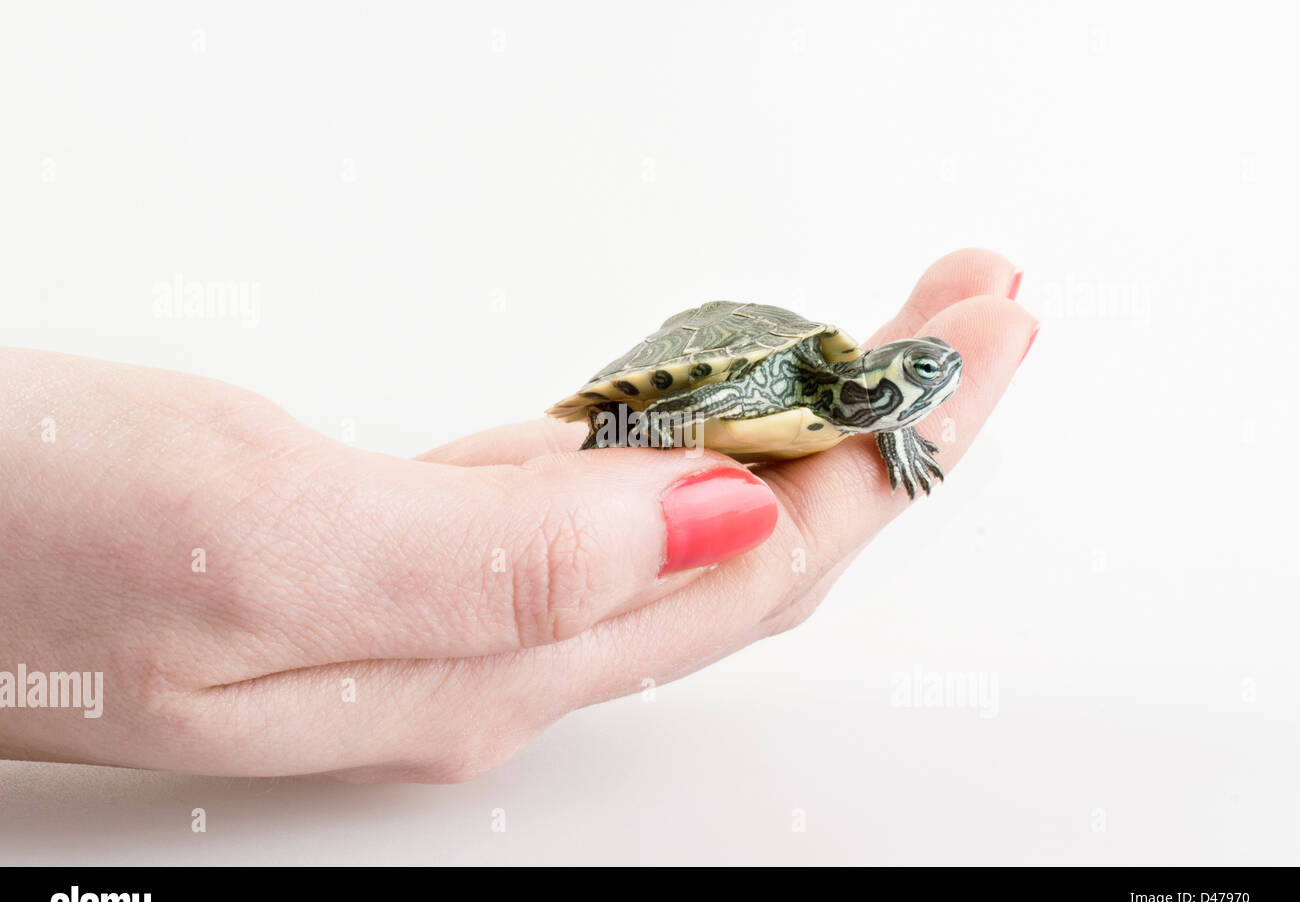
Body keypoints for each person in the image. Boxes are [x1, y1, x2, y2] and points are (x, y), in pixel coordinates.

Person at [0, 250, 1036, 783]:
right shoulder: (786, 373)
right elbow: (705, 387)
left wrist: (893, 426)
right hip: (691, 393)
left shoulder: (862, 408)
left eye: (924, 379)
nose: (922, 377)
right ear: (869, 368)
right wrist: (643, 429)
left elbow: (874, 411)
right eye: (912, 371)